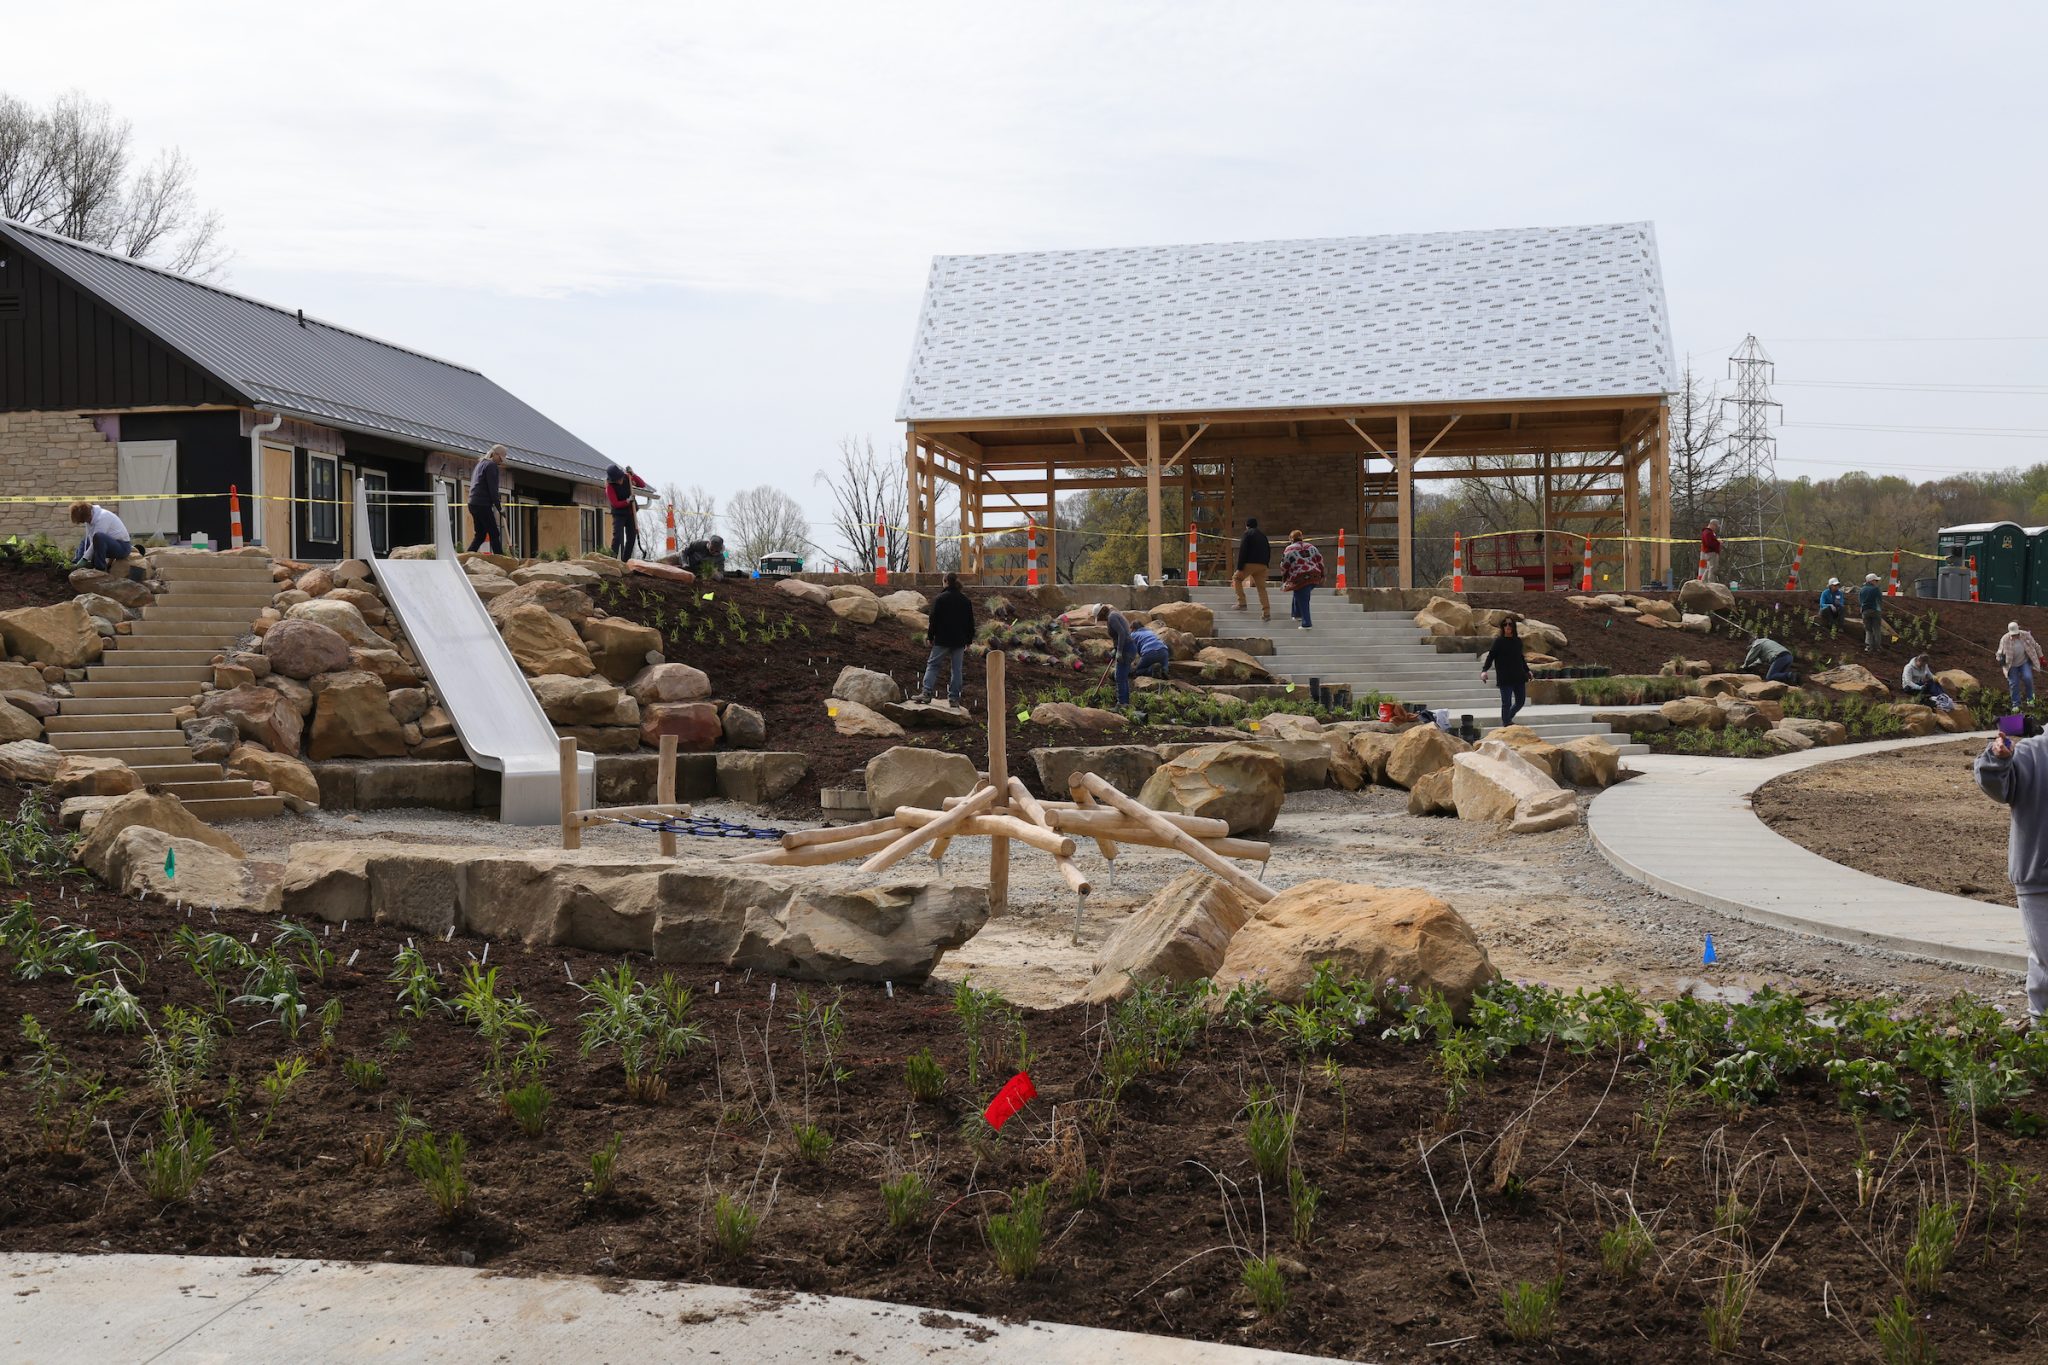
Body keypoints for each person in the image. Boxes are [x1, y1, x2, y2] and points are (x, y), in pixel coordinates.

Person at [1972, 728, 2048, 1023]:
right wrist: (1996, 758)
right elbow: (1997, 786)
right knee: (2045, 960)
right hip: (2038, 875)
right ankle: (2041, 1034)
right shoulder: (2031, 752)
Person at [913, 574, 976, 707]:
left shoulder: (939, 599)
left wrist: (930, 637)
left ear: (945, 581)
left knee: (933, 665)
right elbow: (970, 622)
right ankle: (954, 699)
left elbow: (933, 620)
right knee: (956, 670)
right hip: (959, 641)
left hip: (942, 639)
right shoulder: (965, 600)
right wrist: (969, 640)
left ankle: (926, 693)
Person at [1479, 618, 1530, 728]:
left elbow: (1520, 658)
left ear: (1513, 627)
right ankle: (1506, 723)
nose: (1507, 626)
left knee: (1520, 702)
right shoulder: (1499, 641)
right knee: (1506, 703)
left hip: (1519, 676)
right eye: (1505, 624)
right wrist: (1484, 670)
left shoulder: (1518, 641)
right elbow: (1491, 656)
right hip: (1505, 677)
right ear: (1502, 627)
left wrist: (1527, 671)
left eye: (1510, 624)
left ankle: (1508, 718)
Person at [68, 501, 132, 573]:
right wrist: (81, 558)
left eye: (84, 521)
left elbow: (97, 541)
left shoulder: (103, 517)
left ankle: (100, 569)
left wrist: (85, 559)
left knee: (99, 537)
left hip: (122, 547)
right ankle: (76, 564)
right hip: (109, 544)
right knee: (85, 540)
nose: (85, 523)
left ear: (87, 515)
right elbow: (90, 540)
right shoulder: (89, 518)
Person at [466, 444, 507, 553]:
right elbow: (493, 490)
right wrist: (500, 508)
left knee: (481, 534)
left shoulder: (481, 464)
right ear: (494, 454)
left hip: (473, 503)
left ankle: (468, 556)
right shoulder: (491, 466)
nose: (501, 461)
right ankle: (500, 558)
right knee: (494, 532)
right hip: (482, 504)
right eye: (500, 458)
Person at [1279, 530, 1324, 630]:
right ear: (1302, 537)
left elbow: (1284, 565)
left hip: (1299, 576)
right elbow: (1320, 560)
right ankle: (1296, 614)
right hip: (1314, 575)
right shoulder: (1311, 547)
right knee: (1299, 593)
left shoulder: (1289, 549)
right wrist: (1322, 574)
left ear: (1291, 539)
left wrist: (1284, 576)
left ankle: (1306, 623)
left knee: (1303, 598)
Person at [604, 463, 649, 560]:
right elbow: (615, 503)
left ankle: (626, 562)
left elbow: (642, 484)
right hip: (619, 514)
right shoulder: (609, 487)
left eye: (620, 478)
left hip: (630, 512)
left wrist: (633, 474)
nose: (620, 481)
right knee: (618, 537)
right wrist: (627, 501)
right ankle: (612, 559)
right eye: (617, 480)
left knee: (631, 538)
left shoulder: (627, 478)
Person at [1232, 517, 1272, 620]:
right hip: (1262, 565)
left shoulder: (1247, 534)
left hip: (1250, 563)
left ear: (1247, 525)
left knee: (1237, 578)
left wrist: (1240, 567)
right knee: (1261, 589)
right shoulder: (1263, 536)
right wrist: (1266, 564)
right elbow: (1268, 550)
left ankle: (1242, 603)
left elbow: (1243, 550)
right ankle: (1266, 612)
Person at [1997, 621, 2044, 708]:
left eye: (2016, 634)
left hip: (2024, 662)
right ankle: (2016, 704)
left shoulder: (2026, 635)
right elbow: (1999, 653)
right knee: (2014, 683)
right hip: (2011, 665)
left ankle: (2030, 700)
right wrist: (2000, 659)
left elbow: (2036, 646)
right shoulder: (2005, 639)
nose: (2015, 636)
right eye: (2013, 635)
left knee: (2028, 678)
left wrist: (2041, 657)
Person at [1857, 572, 1884, 653]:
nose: (1877, 582)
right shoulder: (1876, 589)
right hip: (1875, 610)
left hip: (1865, 611)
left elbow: (1860, 601)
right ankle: (1877, 647)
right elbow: (1880, 600)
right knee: (1876, 629)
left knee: (1868, 629)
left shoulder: (1862, 590)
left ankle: (1868, 646)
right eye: (1875, 580)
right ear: (1871, 581)